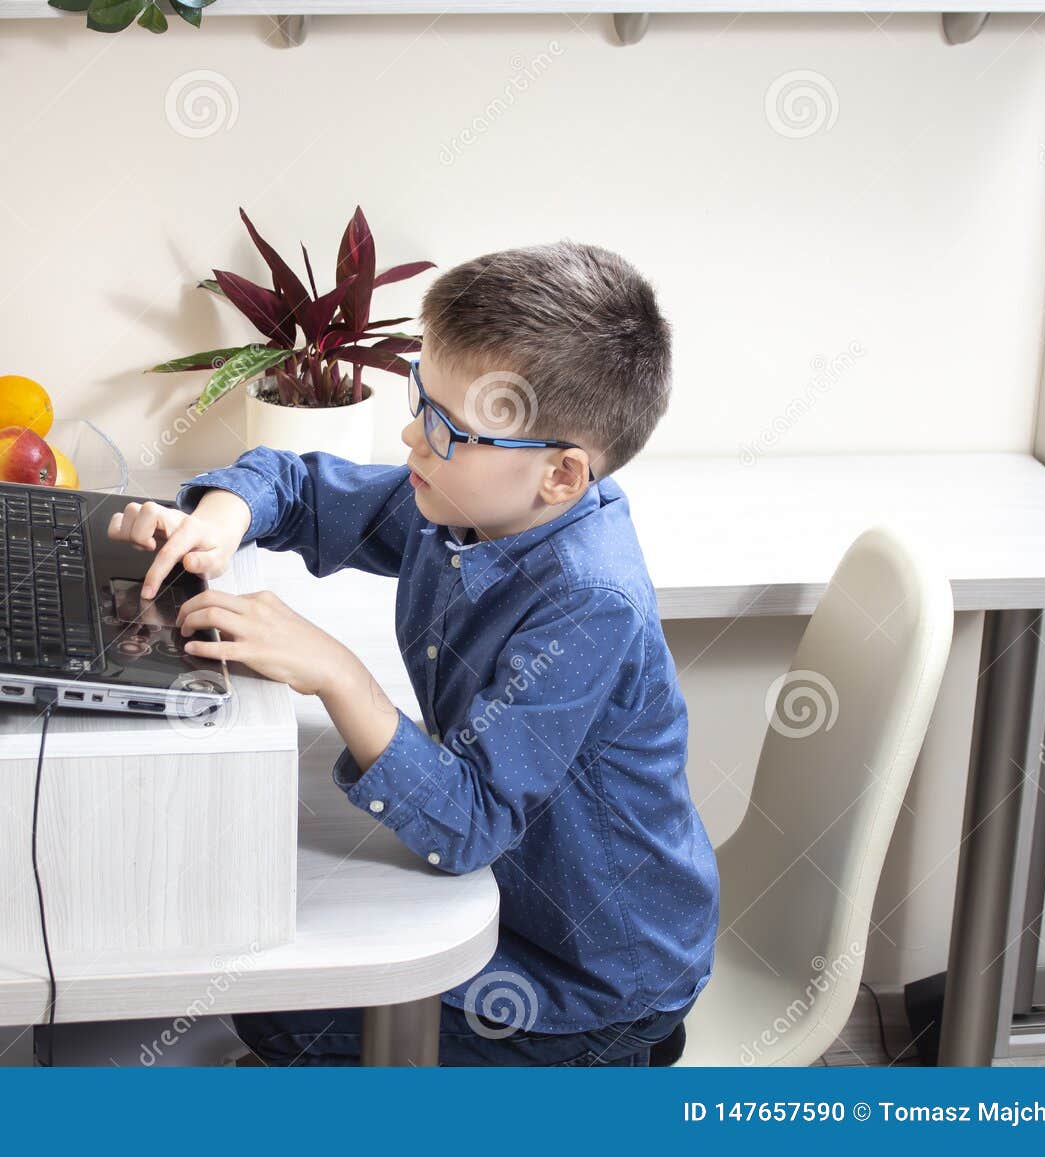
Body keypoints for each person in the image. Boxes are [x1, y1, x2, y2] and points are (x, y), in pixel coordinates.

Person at [108, 242, 718, 1066]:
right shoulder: (465, 503)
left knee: (275, 1023)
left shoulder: (588, 601)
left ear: (562, 475)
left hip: (586, 983)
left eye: (444, 427)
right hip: (512, 913)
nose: (411, 437)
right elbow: (299, 487)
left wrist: (335, 671)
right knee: (267, 1009)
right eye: (418, 400)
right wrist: (215, 521)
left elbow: (470, 824)